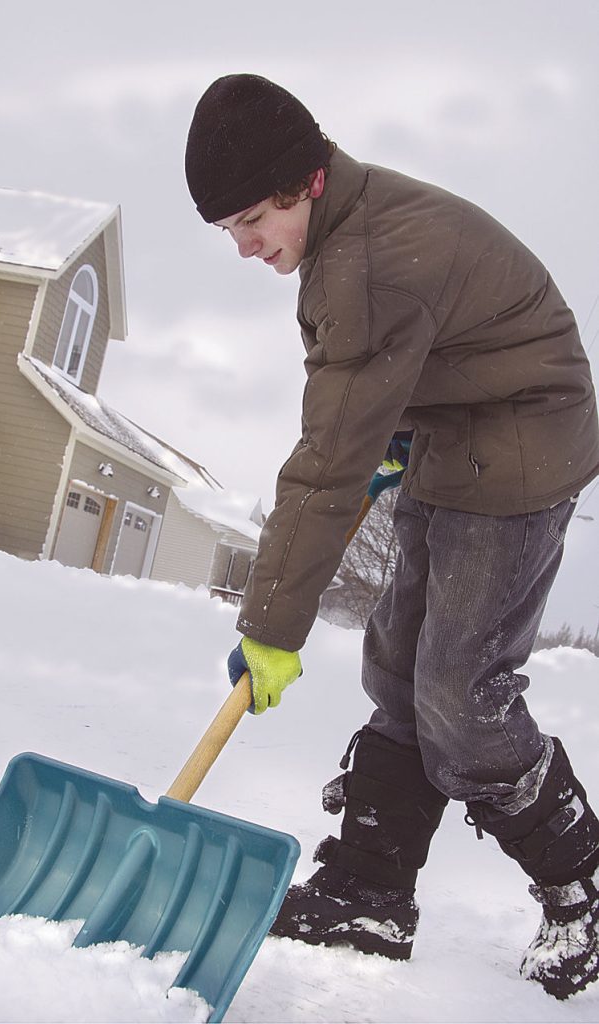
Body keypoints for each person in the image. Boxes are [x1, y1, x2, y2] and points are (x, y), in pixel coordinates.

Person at [184, 74, 599, 999]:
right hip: (456, 430)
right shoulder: (346, 233)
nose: (246, 247)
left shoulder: (368, 259)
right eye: (228, 231)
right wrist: (399, 437)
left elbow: (326, 459)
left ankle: (587, 889)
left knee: (460, 690)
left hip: (525, 441)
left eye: (252, 219)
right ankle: (369, 889)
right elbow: (393, 386)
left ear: (306, 184)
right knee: (401, 661)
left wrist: (272, 624)